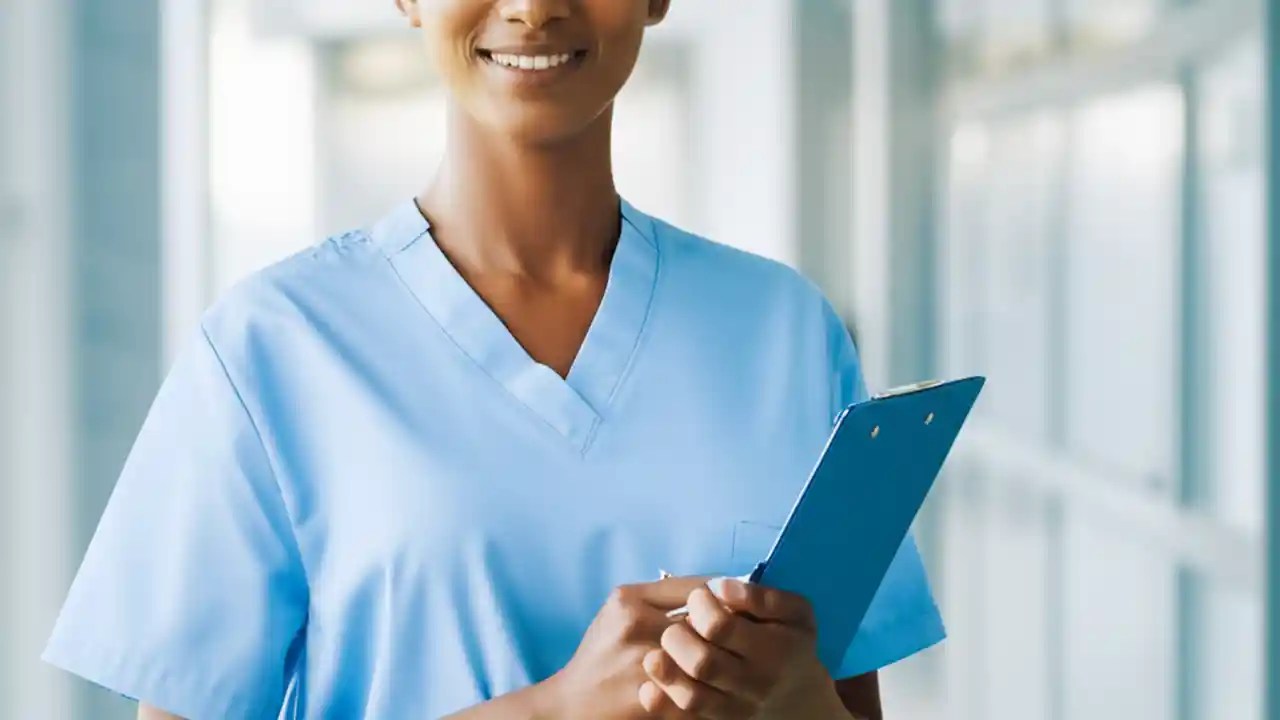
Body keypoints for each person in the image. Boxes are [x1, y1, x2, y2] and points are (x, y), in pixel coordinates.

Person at [43, 1, 944, 718]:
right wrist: (551, 713)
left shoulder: (785, 332)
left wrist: (790, 705)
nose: (534, 7)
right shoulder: (269, 349)